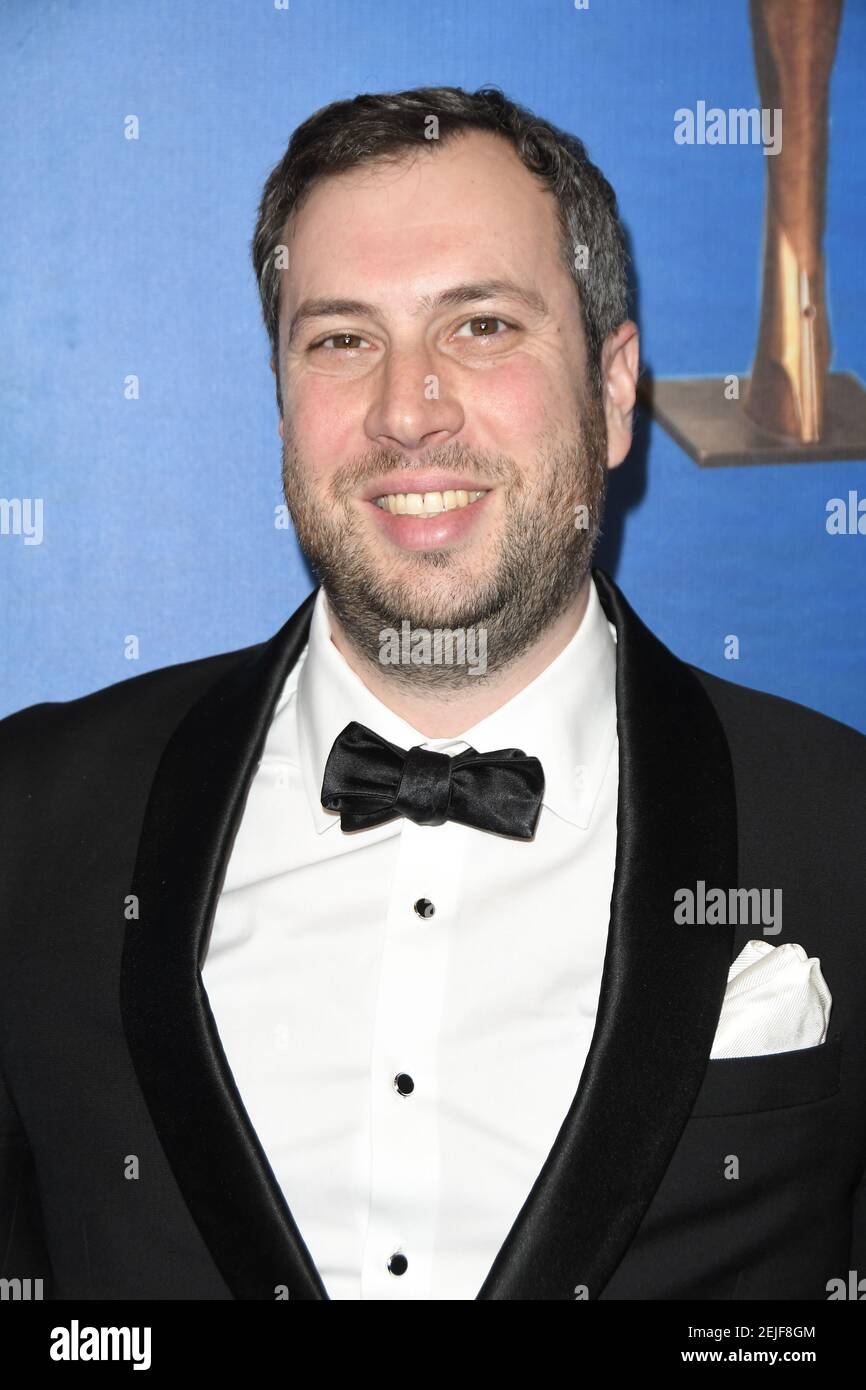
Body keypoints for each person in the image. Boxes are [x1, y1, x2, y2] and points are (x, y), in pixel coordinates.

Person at [1, 86, 864, 1302]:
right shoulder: (29, 821)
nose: (408, 410)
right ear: (281, 393)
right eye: (342, 339)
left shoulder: (840, 826)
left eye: (482, 326)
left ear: (614, 393)